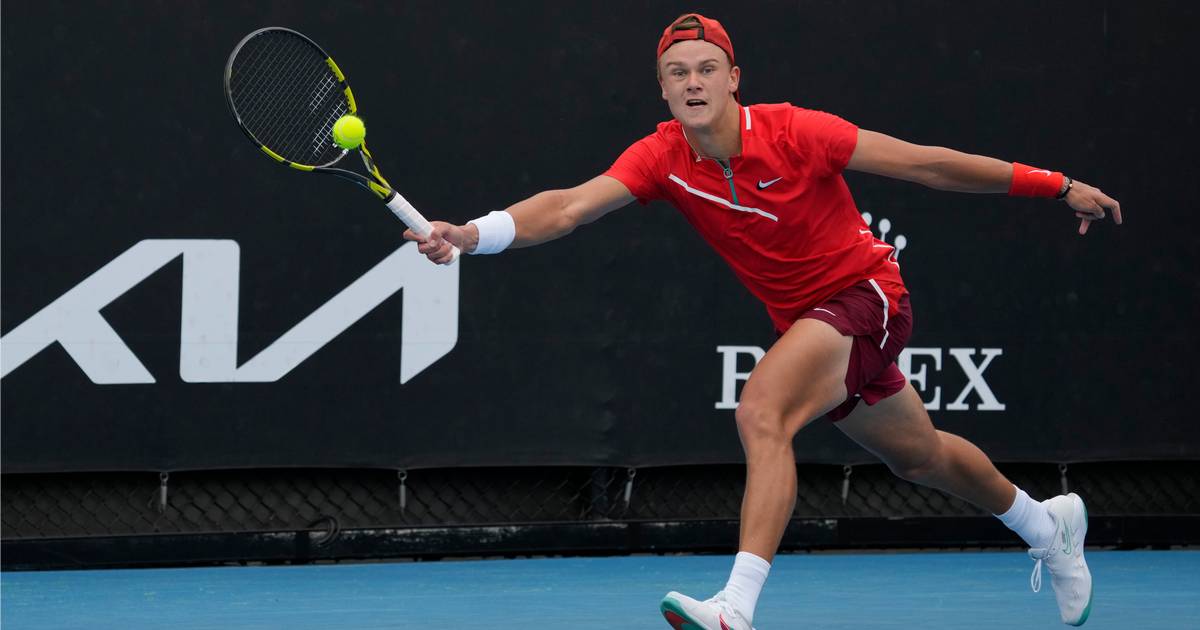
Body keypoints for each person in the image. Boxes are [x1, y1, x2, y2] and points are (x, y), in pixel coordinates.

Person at [405, 13, 1121, 629]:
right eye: (677, 71)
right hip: (810, 319)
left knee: (762, 413)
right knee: (920, 456)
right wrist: (471, 233)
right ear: (662, 87)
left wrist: (1055, 185)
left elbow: (928, 165)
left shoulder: (796, 132)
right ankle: (1046, 523)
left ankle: (737, 607)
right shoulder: (661, 156)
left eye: (707, 69)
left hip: (867, 293)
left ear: (733, 78)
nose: (693, 82)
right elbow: (565, 208)